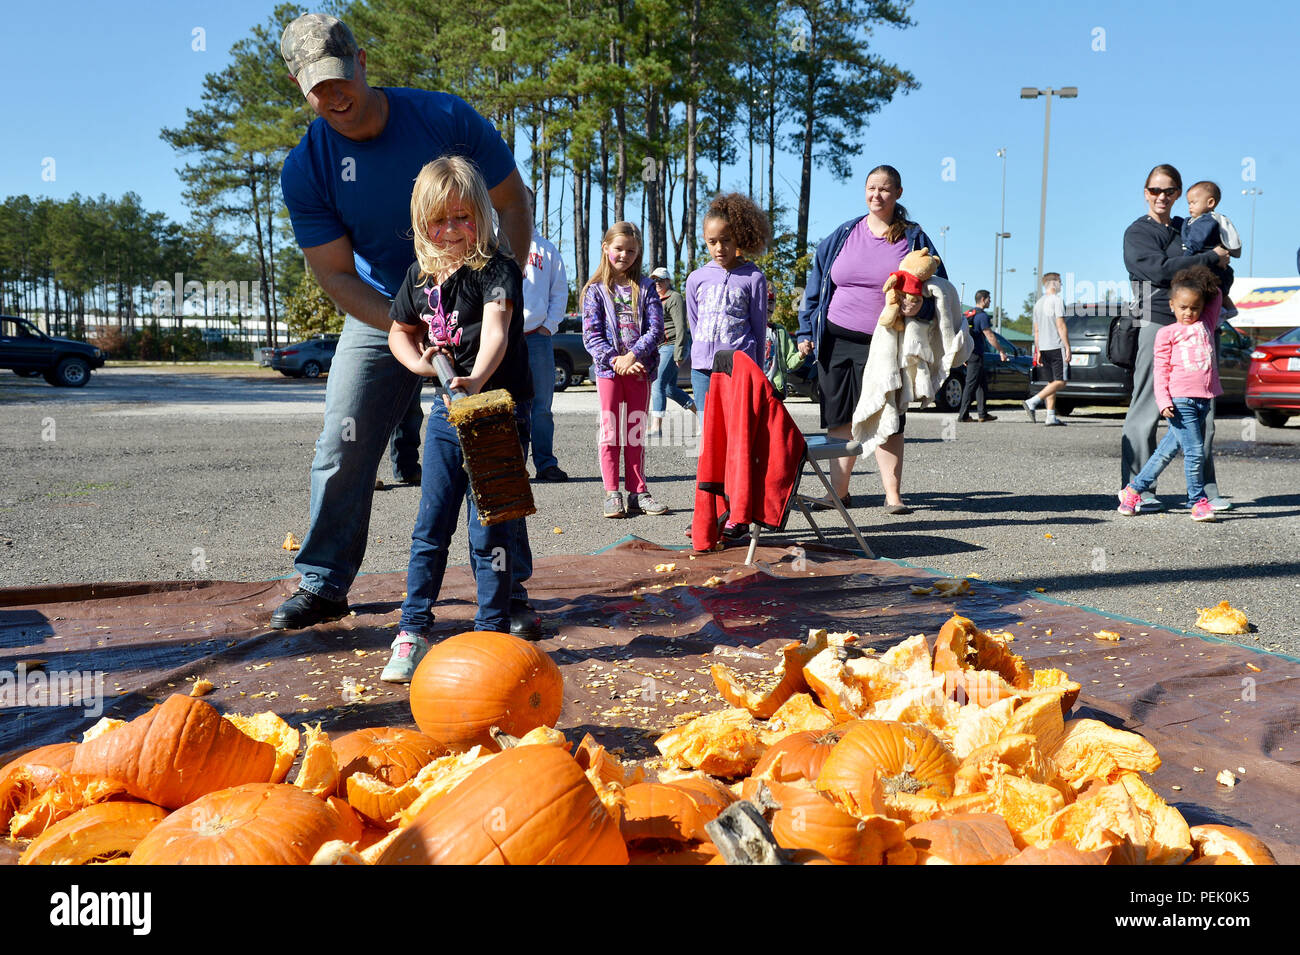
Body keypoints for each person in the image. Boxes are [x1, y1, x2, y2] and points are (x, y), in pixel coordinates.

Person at [272, 13, 541, 637]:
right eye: (316, 88)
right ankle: (324, 579)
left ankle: (510, 592)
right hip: (383, 308)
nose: (333, 96)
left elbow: (510, 201)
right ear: (297, 85)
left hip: (473, 298)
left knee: (493, 445)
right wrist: (407, 328)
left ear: (362, 62)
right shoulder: (306, 168)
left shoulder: (444, 118)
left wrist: (505, 286)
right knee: (345, 438)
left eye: (341, 78)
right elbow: (336, 277)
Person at [383, 157, 534, 680]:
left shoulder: (496, 268)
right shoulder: (420, 278)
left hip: (496, 415)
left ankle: (492, 632)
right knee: (430, 526)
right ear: (423, 222)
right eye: (439, 221)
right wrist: (419, 362)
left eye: (463, 218)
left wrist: (476, 377)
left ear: (483, 216)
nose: (451, 231)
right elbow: (398, 332)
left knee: (490, 529)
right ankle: (412, 628)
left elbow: (496, 327)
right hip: (448, 417)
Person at [796, 164, 945, 513]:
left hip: (885, 341)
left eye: (885, 189)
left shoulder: (913, 237)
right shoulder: (844, 234)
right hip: (835, 339)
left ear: (898, 194)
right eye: (871, 188)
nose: (876, 195)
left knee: (888, 414)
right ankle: (838, 493)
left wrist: (918, 305)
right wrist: (806, 330)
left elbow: (939, 286)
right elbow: (816, 286)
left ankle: (893, 495)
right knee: (839, 418)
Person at [1122, 163, 1231, 513]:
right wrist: (1207, 258)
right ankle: (1138, 487)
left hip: (1198, 325)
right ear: (1145, 192)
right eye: (1154, 190)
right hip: (1157, 322)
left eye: (1169, 191)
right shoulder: (1138, 233)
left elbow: (1221, 268)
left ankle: (1206, 491)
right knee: (1147, 408)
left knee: (1203, 411)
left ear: (1179, 194)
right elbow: (1159, 270)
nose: (1161, 197)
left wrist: (1214, 263)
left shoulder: (1192, 228)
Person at [1117, 266, 1223, 522]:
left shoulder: (1205, 325)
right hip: (1179, 401)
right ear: (1172, 305)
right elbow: (1161, 371)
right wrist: (1163, 400)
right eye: (1183, 307)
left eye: (1195, 307)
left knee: (1165, 451)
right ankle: (1197, 501)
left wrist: (1199, 278)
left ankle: (1133, 489)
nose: (1189, 312)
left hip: (1203, 400)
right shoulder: (1167, 334)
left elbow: (1217, 294)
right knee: (1195, 452)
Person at [581, 222, 668, 519]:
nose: (624, 255)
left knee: (633, 432)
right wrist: (616, 360)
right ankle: (611, 493)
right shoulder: (594, 292)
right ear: (606, 249)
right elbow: (591, 335)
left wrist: (632, 356)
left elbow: (656, 329)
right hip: (609, 373)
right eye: (618, 249)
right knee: (610, 431)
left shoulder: (645, 288)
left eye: (631, 250)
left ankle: (638, 491)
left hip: (639, 369)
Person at [684, 193, 771, 418]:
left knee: (737, 431)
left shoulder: (754, 277)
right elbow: (694, 324)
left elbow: (759, 329)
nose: (719, 247)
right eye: (712, 242)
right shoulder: (696, 278)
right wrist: (700, 351)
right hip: (702, 369)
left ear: (738, 238)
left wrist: (758, 373)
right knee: (709, 431)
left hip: (740, 368)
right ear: (704, 239)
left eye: (726, 240)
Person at [520, 187, 569, 482]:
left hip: (537, 338)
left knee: (541, 407)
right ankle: (513, 466)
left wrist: (548, 326)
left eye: (524, 201)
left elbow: (559, 291)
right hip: (503, 338)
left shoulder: (546, 250)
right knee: (508, 405)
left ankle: (546, 463)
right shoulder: (494, 246)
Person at [647, 267, 695, 438]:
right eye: (655, 280)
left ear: (668, 281)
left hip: (673, 344)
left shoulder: (674, 297)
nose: (657, 283)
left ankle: (656, 427)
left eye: (661, 280)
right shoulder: (655, 299)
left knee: (657, 383)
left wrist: (680, 352)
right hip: (661, 347)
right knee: (669, 389)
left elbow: (681, 325)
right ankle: (704, 416)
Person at [1181, 181, 1240, 318]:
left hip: (1211, 269)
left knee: (1206, 293)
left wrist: (1185, 259)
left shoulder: (1207, 221)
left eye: (1193, 202)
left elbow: (1196, 242)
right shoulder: (1196, 220)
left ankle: (1221, 312)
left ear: (1210, 203)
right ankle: (1228, 309)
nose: (1190, 206)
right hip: (1216, 269)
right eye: (1188, 203)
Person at [1024, 272, 1070, 426]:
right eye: (1060, 282)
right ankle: (1033, 401)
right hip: (1056, 345)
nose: (1061, 285)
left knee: (1051, 382)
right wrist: (1068, 347)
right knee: (1061, 381)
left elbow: (1036, 330)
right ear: (1053, 283)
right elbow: (1061, 325)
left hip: (1043, 348)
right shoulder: (1057, 301)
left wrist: (1037, 351)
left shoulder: (1038, 303)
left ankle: (1050, 416)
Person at [957, 289, 1006, 422]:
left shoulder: (968, 314)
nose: (990, 301)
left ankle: (982, 414)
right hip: (975, 354)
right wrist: (1001, 351)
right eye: (989, 299)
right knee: (971, 384)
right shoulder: (982, 316)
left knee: (981, 384)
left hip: (969, 353)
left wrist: (962, 355)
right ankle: (963, 415)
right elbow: (989, 335)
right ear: (983, 299)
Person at [763, 285, 804, 395]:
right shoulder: (748, 329)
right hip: (753, 389)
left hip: (774, 390)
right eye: (763, 301)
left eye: (771, 302)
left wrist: (802, 354)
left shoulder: (779, 331)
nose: (767, 306)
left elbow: (790, 362)